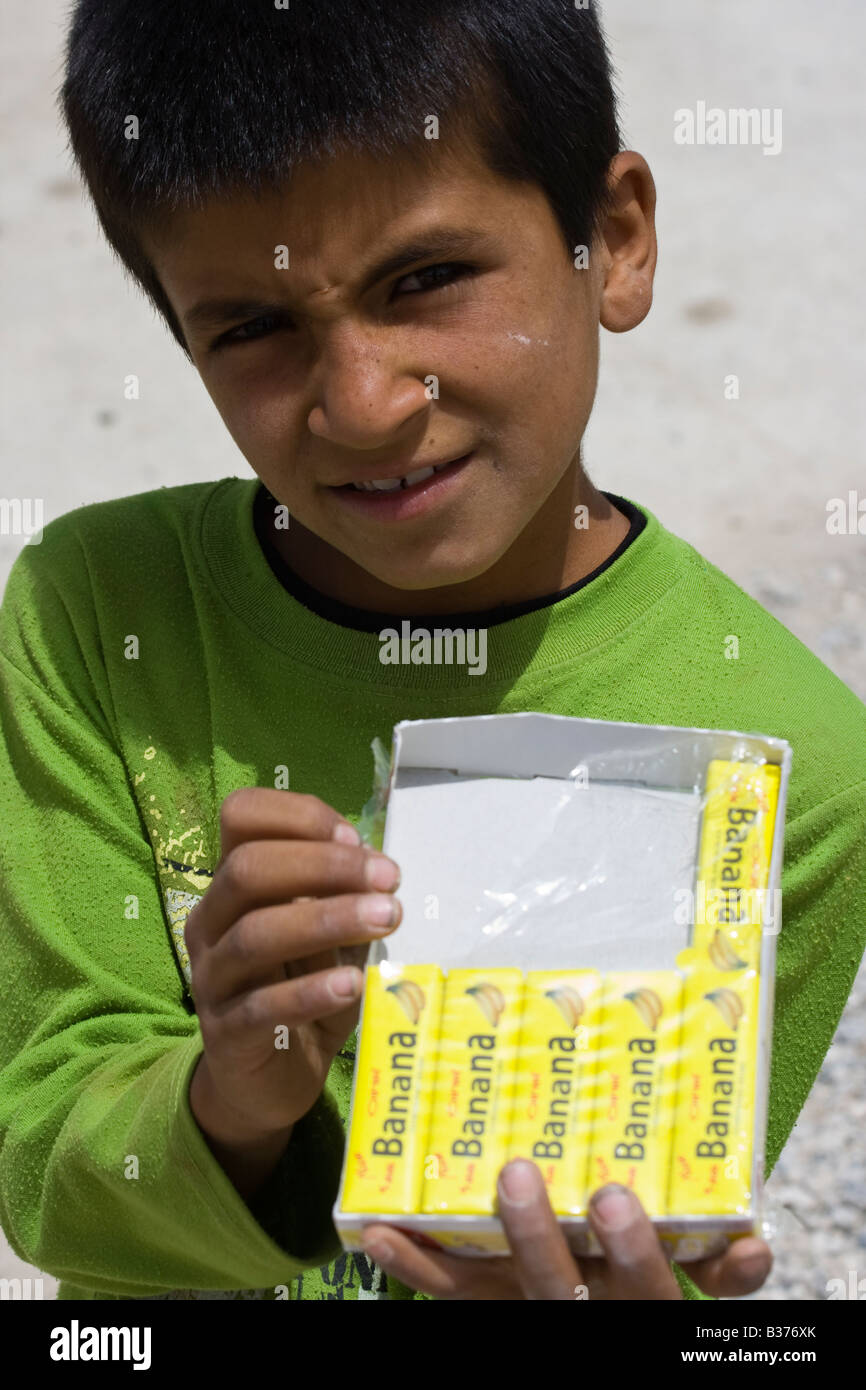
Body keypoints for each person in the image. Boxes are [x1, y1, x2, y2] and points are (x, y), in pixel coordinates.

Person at [0, 0, 863, 1303]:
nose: (359, 404)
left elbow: (671, 1237)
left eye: (425, 280)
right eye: (249, 326)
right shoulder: (95, 619)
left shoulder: (789, 758)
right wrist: (230, 1096)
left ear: (612, 242)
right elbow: (45, 1174)